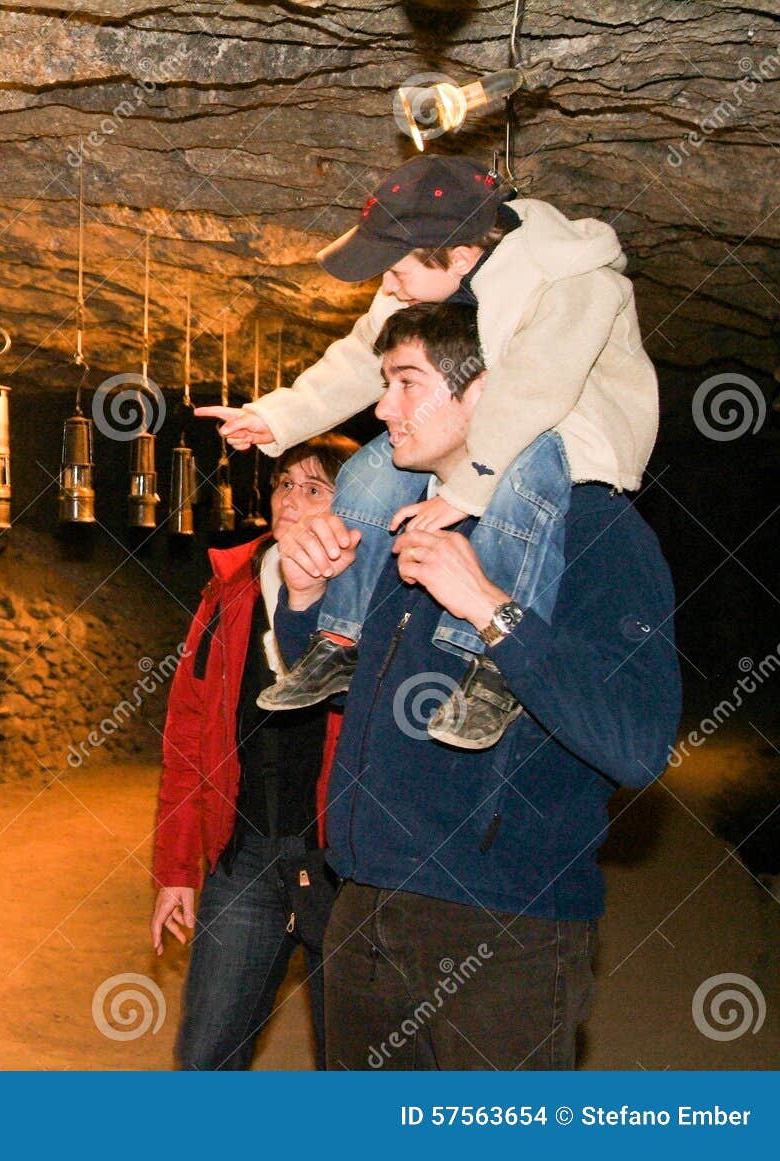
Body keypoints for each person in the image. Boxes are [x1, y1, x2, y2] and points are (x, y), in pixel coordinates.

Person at [272, 302, 679, 1069]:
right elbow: (343, 698)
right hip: (360, 901)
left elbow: (637, 744)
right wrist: (303, 601)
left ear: (485, 390)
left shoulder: (596, 531)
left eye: (405, 382)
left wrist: (494, 611)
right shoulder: (410, 520)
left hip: (499, 926)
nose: (383, 407)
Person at [197, 154, 658, 750]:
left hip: (575, 430)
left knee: (521, 478)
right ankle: (340, 639)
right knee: (368, 468)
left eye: (395, 270)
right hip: (495, 430)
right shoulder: (434, 278)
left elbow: (536, 387)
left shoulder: (572, 279)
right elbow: (365, 355)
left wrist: (467, 488)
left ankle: (491, 670)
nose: (386, 284)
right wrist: (275, 416)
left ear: (462, 257)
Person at [151, 433, 358, 1070]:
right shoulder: (229, 591)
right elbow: (188, 737)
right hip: (244, 857)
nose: (293, 500)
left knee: (356, 1062)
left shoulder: (379, 595)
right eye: (284, 485)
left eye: (316, 488)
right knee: (208, 1056)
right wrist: (177, 871)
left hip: (345, 867)